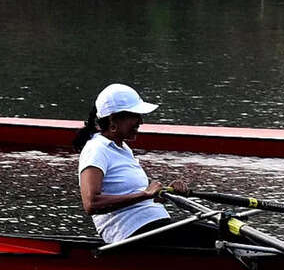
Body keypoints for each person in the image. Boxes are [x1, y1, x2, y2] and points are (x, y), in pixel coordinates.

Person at [73, 83, 211, 245]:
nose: (141, 121)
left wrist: (165, 194)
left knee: (225, 231)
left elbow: (137, 196)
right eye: (135, 115)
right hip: (130, 234)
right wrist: (145, 194)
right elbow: (91, 204)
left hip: (152, 226)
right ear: (113, 120)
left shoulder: (122, 148)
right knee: (223, 238)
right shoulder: (96, 149)